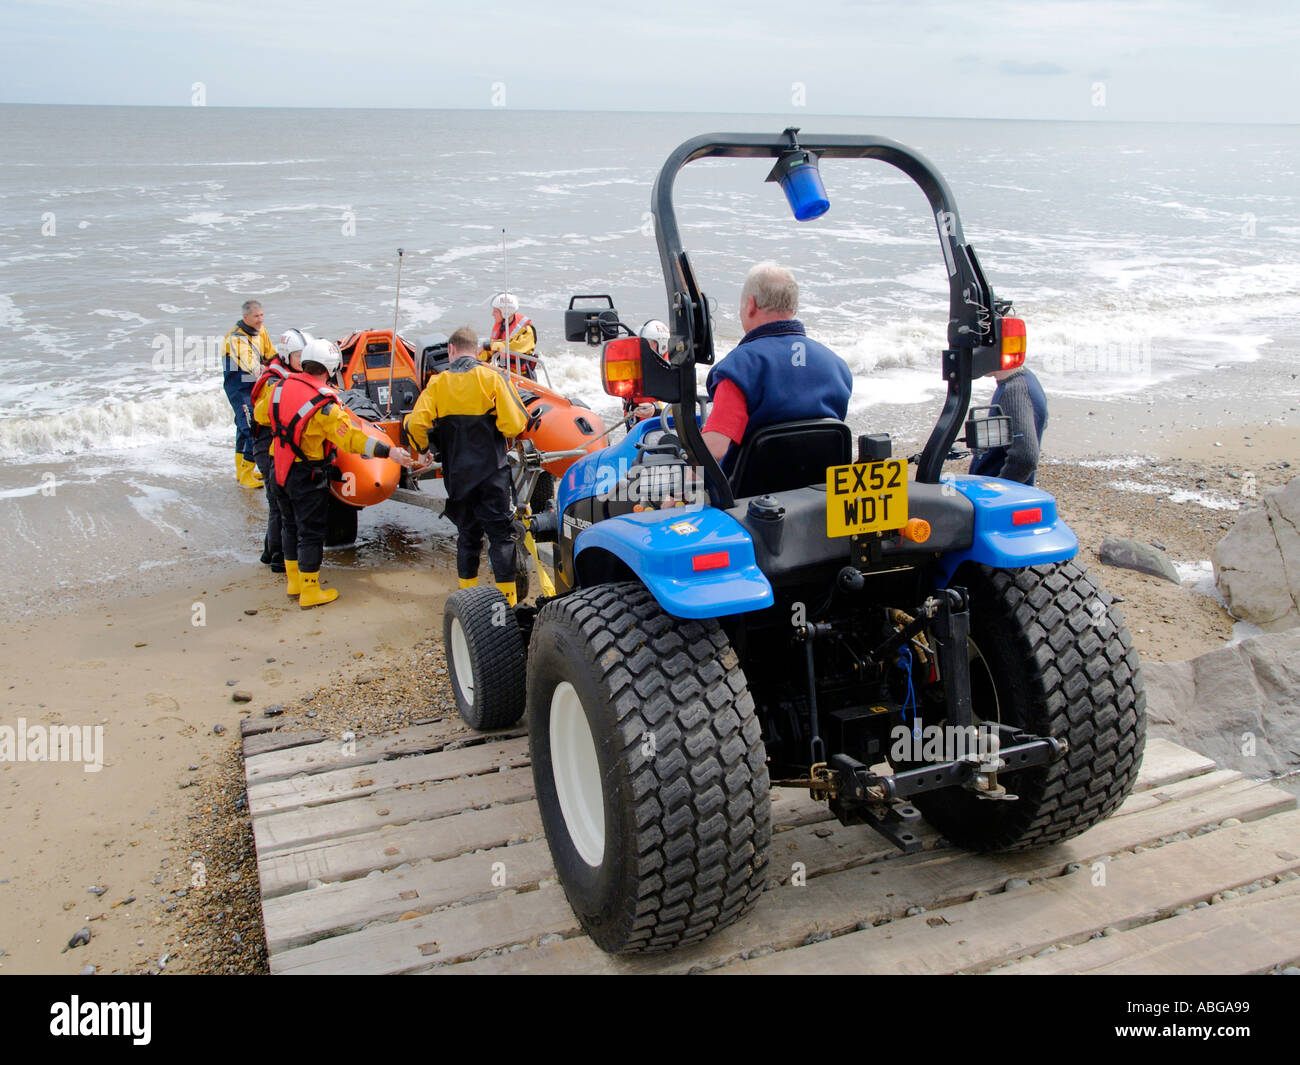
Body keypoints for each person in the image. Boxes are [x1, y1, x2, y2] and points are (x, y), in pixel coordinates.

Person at [265, 338, 414, 608]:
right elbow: (353, 440)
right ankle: (310, 591)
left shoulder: (278, 387)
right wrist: (388, 452)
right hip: (306, 473)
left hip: (279, 467)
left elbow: (263, 415)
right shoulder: (326, 406)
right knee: (311, 532)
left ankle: (294, 582)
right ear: (331, 369)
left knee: (289, 523)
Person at [404, 326, 532, 605]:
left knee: (468, 535)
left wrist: (424, 449)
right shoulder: (492, 378)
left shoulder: (437, 383)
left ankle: (468, 597)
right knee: (501, 536)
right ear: (476, 351)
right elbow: (514, 424)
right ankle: (507, 603)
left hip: (458, 477)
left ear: (450, 350)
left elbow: (415, 424)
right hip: (492, 475)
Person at [702, 262, 853, 470]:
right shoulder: (837, 366)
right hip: (818, 492)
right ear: (793, 307)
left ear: (751, 305)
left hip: (751, 497)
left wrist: (680, 490)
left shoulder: (740, 368)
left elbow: (714, 450)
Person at [249, 329, 312, 572]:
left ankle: (270, 552)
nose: (303, 361)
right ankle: (277, 557)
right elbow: (265, 415)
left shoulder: (292, 375)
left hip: (280, 443)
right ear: (287, 356)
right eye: (299, 356)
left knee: (279, 504)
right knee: (278, 502)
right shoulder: (275, 381)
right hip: (268, 444)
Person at [222, 300, 276, 489]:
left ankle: (242, 470)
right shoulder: (236, 338)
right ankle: (246, 473)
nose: (260, 319)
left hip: (254, 387)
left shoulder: (262, 331)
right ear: (246, 317)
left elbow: (271, 354)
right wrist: (264, 372)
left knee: (242, 427)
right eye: (256, 316)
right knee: (251, 429)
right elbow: (249, 364)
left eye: (262, 315)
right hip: (239, 389)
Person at [969, 361, 1048, 485]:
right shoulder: (1027, 379)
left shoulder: (1014, 390)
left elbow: (1025, 459)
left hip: (998, 499)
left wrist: (998, 490)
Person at [482, 292, 538, 379]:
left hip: (522, 376)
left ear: (505, 313)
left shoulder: (527, 330)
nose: (492, 314)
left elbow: (513, 346)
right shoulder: (501, 326)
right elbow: (490, 352)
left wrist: (489, 345)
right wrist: (473, 358)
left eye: (495, 311)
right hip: (504, 373)